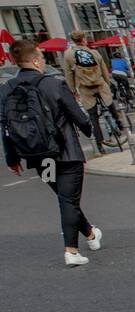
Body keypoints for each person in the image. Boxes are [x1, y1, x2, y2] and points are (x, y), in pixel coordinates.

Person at [2, 39, 102, 267]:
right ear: (36, 60)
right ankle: (71, 250)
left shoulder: (7, 89)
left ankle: (91, 233)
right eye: (42, 57)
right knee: (68, 200)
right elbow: (77, 115)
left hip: (39, 157)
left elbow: (5, 126)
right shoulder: (53, 84)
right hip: (66, 153)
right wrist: (89, 129)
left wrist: (12, 158)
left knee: (66, 198)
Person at [62, 31, 122, 154]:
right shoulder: (94, 53)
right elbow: (104, 70)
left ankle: (99, 144)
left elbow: (68, 74)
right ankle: (118, 122)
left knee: (93, 116)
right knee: (109, 104)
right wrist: (107, 83)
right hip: (99, 84)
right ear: (84, 40)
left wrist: (73, 90)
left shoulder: (69, 55)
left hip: (85, 88)